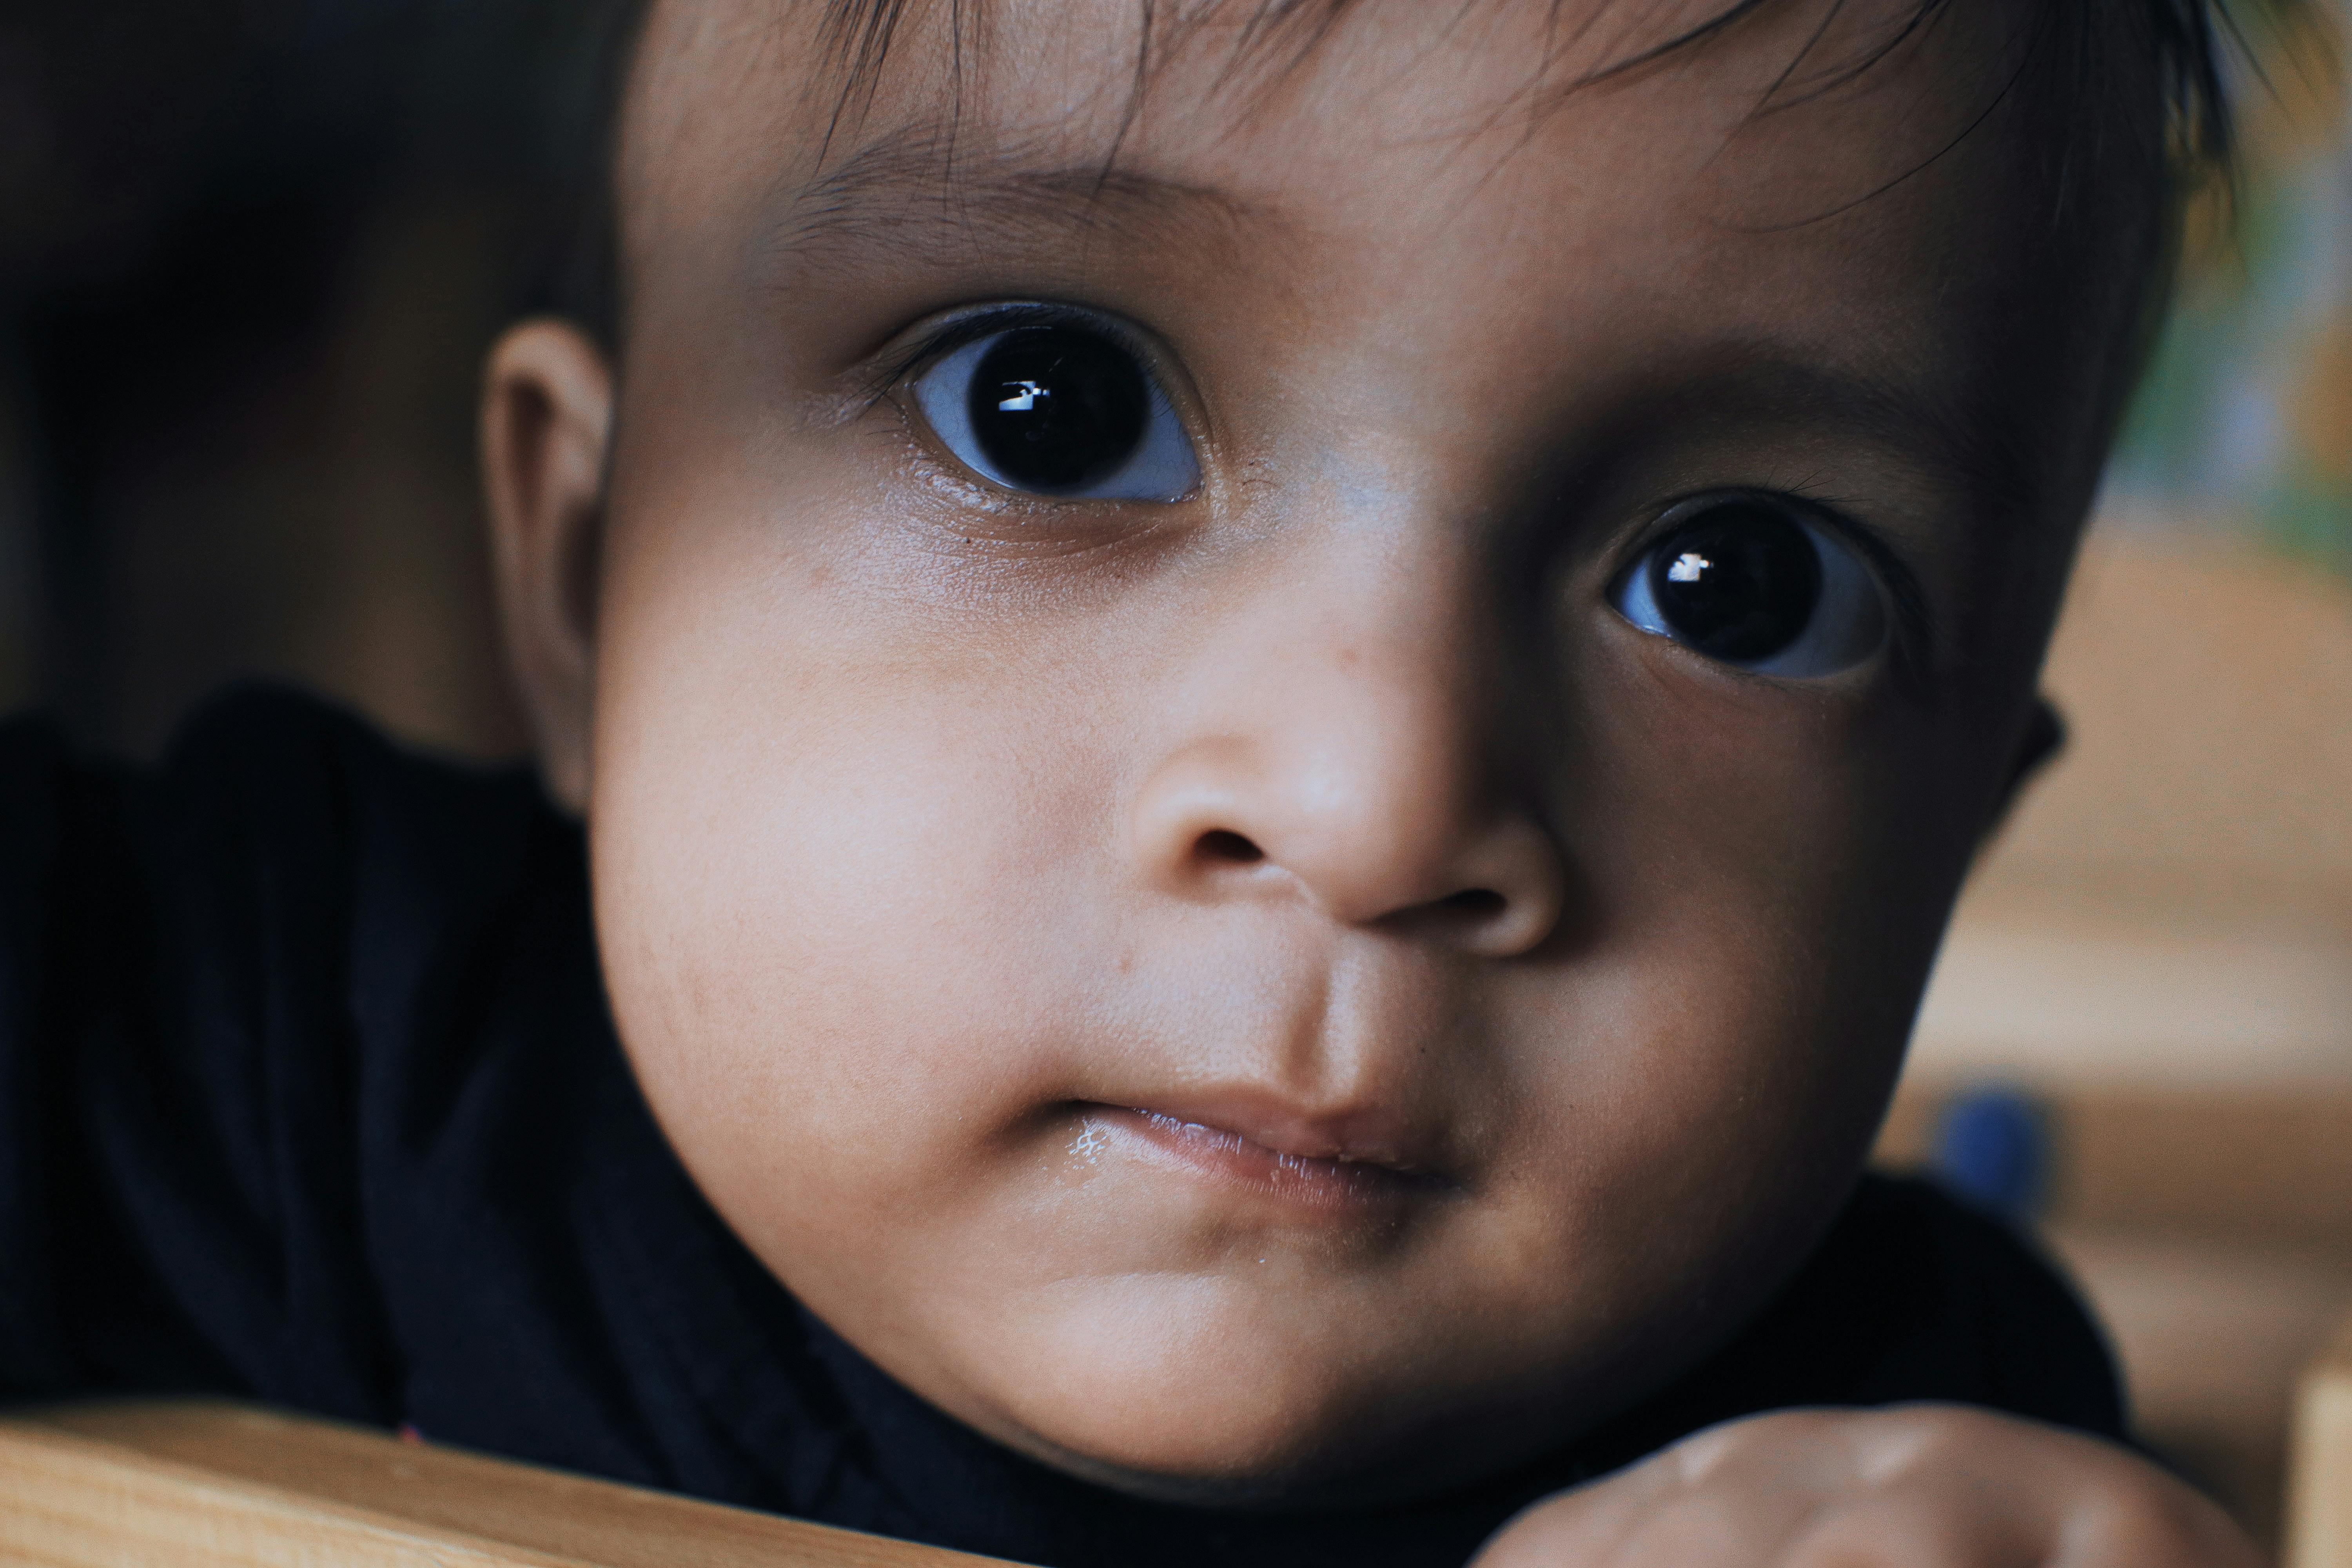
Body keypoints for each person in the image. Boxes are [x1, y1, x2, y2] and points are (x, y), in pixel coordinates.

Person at [0, 2, 2273, 1563]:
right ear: (594, 580)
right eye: (1051, 410)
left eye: (1739, 583)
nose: (1377, 800)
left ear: (1952, 844)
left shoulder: (1879, 1440)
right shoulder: (277, 1033)